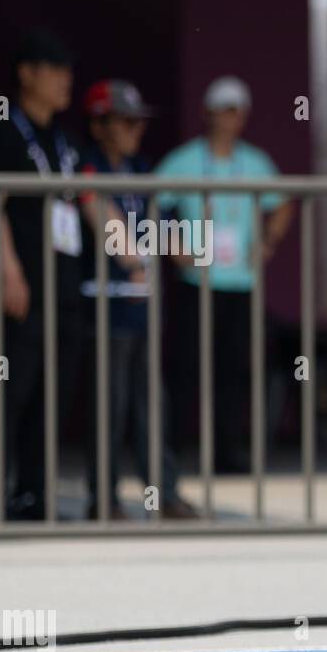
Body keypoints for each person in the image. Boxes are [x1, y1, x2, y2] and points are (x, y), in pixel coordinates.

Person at [0, 28, 84, 521]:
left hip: (64, 291)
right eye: (55, 71)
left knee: (50, 398)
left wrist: (133, 250)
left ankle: (35, 496)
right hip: (19, 292)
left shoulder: (63, 140)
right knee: (6, 395)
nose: (65, 81)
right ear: (27, 74)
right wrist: (8, 270)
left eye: (67, 72)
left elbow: (89, 199)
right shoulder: (0, 129)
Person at [154, 76, 293, 473]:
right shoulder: (183, 160)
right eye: (221, 109)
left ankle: (225, 453)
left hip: (239, 283)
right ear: (207, 113)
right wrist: (172, 246)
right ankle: (172, 452)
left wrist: (266, 242)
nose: (228, 118)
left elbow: (284, 203)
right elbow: (151, 204)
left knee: (233, 371)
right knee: (184, 368)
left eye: (235, 110)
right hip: (196, 283)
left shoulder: (255, 162)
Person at [77, 79, 199, 520]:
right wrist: (131, 255)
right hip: (104, 307)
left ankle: (164, 493)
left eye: (138, 121)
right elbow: (98, 212)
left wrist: (192, 252)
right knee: (109, 407)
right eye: (126, 121)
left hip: (142, 307)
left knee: (153, 405)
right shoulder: (86, 166)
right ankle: (103, 500)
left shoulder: (140, 169)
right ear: (99, 126)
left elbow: (165, 227)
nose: (135, 129)